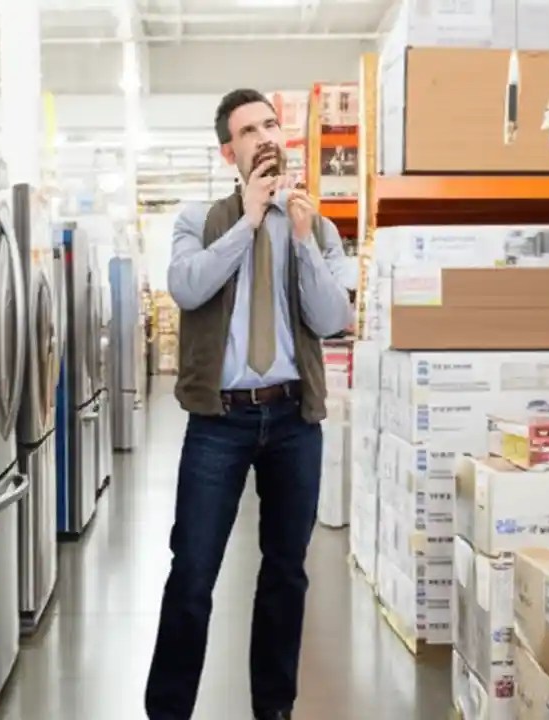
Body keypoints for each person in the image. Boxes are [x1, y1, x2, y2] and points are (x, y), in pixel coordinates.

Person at [144, 89, 352, 720]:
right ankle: (170, 711)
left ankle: (275, 709)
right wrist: (250, 221)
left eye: (269, 124)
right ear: (228, 150)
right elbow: (187, 285)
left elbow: (333, 316)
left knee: (286, 574)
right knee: (193, 574)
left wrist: (304, 237)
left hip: (294, 419)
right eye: (248, 130)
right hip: (220, 422)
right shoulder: (197, 220)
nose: (263, 135)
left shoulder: (316, 225)